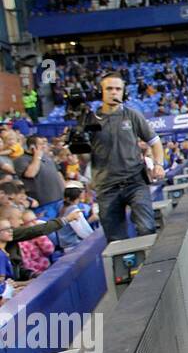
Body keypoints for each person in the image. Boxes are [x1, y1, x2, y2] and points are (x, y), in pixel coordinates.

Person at [73, 71, 164, 241]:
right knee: (115, 240)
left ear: (124, 92)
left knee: (146, 228)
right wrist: (78, 147)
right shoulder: (89, 120)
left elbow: (155, 142)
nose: (114, 92)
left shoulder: (132, 115)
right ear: (101, 92)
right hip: (106, 186)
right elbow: (85, 158)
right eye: (109, 89)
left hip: (135, 181)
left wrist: (158, 164)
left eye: (117, 89)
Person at [18, 135, 67, 219]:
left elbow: (58, 174)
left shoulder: (47, 157)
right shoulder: (21, 160)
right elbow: (30, 174)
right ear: (32, 146)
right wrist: (37, 156)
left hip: (60, 199)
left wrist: (65, 191)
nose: (45, 146)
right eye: (41, 144)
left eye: (45, 143)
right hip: (44, 203)